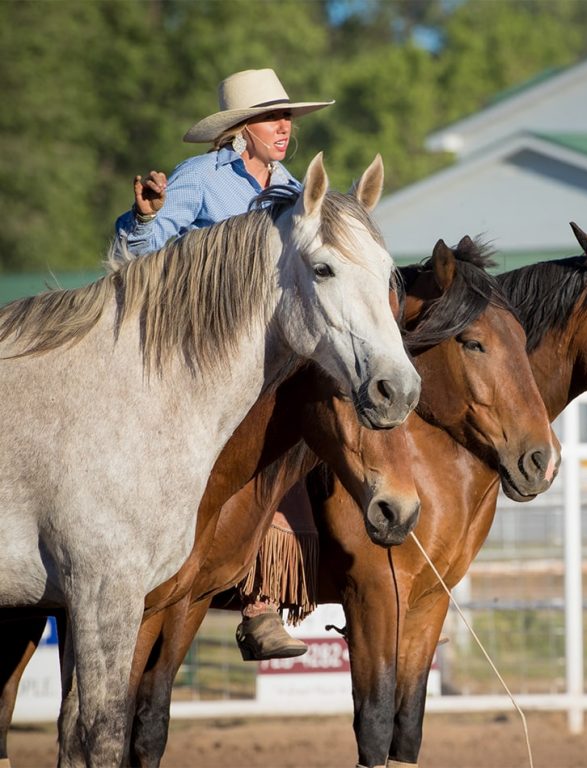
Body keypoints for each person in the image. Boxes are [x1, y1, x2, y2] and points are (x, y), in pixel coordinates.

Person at [115, 68, 334, 661]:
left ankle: (347, 556)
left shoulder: (294, 189)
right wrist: (143, 219)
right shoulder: (201, 179)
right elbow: (140, 252)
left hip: (270, 350)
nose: (284, 126)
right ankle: (256, 601)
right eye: (271, 117)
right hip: (200, 344)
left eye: (287, 117)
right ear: (242, 129)